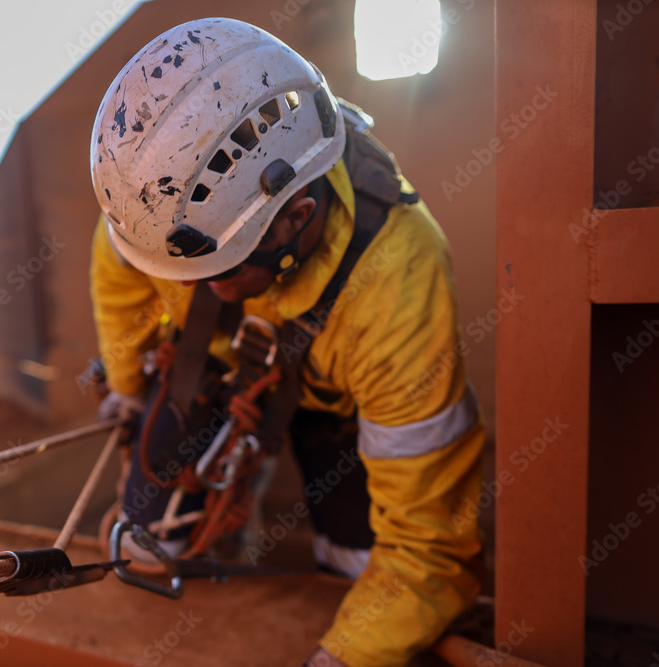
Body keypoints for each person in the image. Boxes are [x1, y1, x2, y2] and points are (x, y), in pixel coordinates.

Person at [88, 18, 484, 667]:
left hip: (343, 406)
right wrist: (130, 390)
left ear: (297, 219)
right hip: (217, 370)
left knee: (362, 569)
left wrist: (340, 659)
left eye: (213, 275)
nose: (195, 292)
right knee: (153, 538)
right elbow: (118, 273)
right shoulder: (157, 208)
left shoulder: (399, 285)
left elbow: (429, 550)